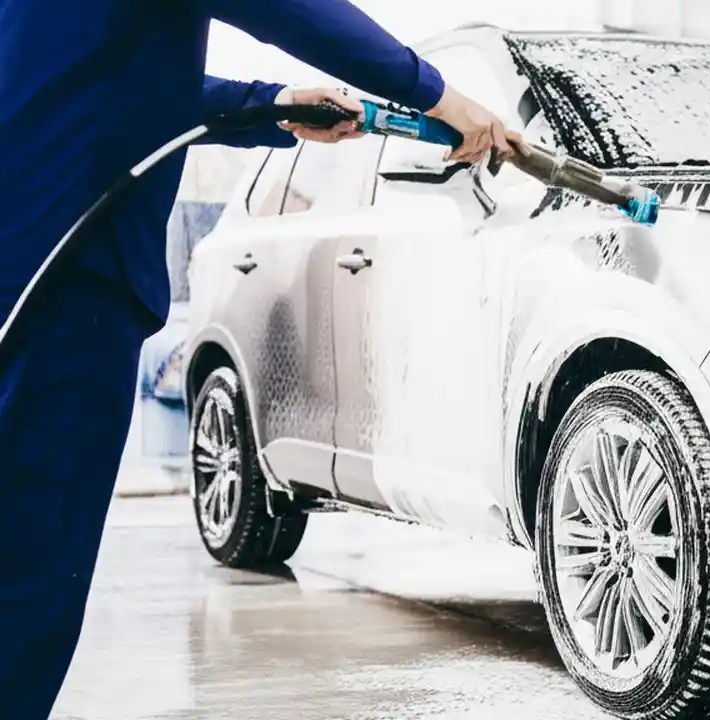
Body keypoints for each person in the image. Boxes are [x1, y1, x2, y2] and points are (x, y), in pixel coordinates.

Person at [0, 1, 522, 716]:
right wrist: (441, 96)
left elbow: (106, 78)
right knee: (29, 566)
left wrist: (266, 107)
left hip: (28, 255)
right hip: (64, 281)